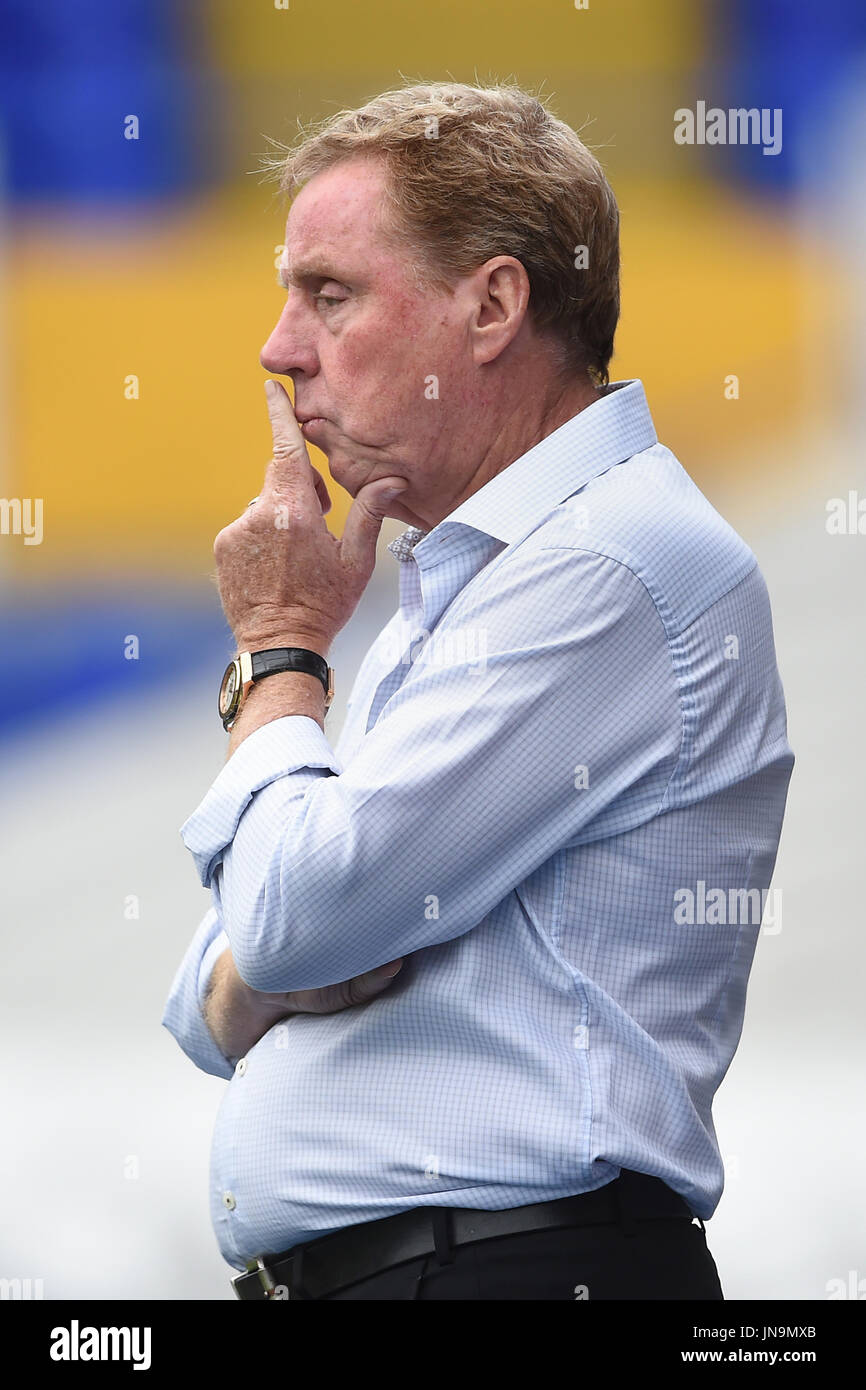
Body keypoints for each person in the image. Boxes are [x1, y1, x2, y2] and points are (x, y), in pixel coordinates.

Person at [162, 80, 794, 1301]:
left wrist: (283, 649)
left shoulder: (606, 562)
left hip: (515, 1268)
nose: (277, 346)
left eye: (327, 292)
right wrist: (256, 969)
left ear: (493, 304)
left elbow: (291, 912)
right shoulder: (475, 569)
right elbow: (206, 1003)